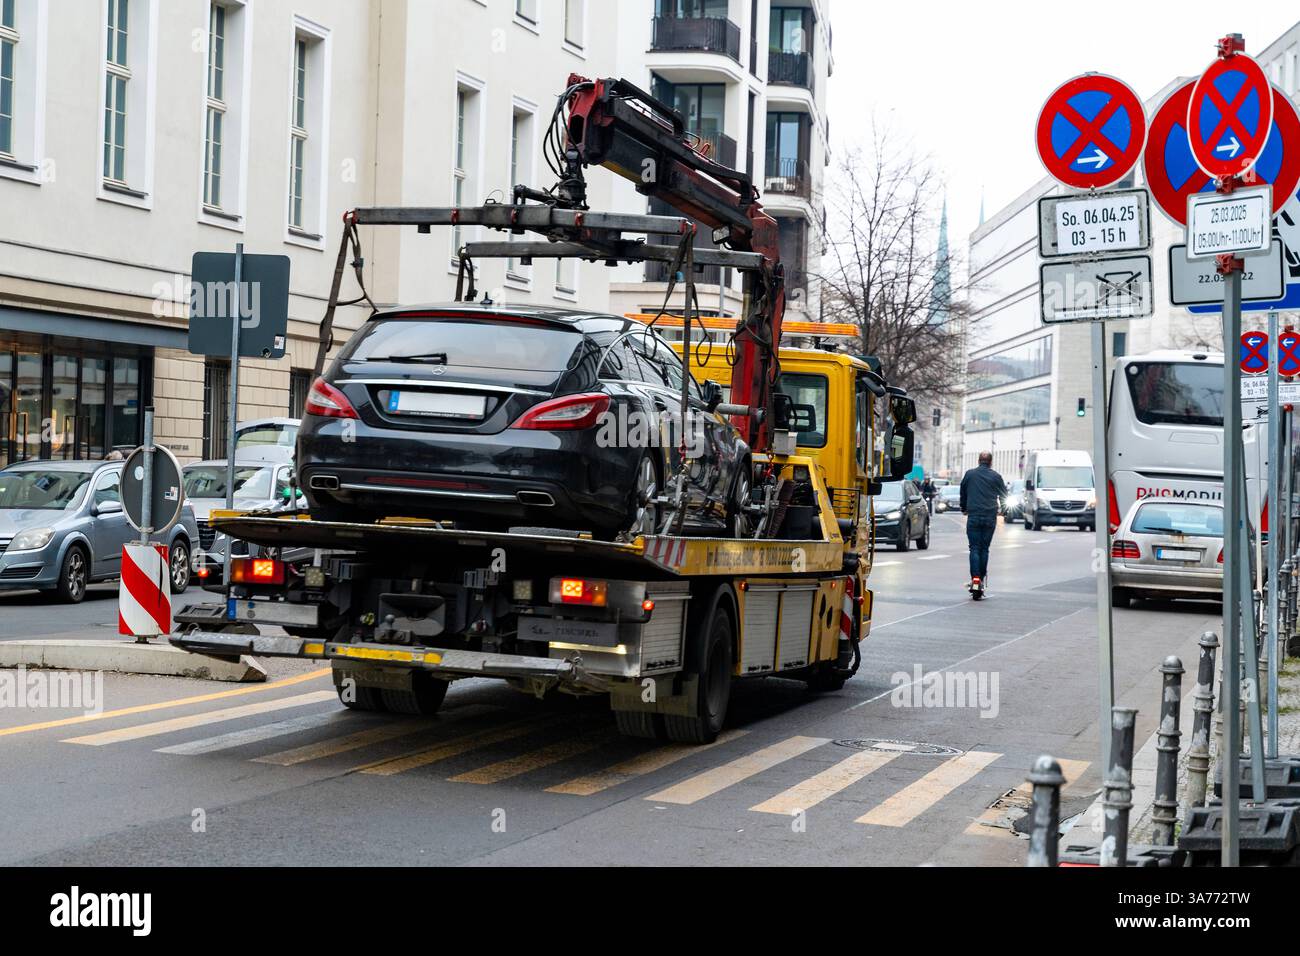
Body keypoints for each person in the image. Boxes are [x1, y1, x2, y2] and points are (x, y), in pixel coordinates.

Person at [959, 451, 1008, 594]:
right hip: (989, 516)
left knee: (974, 548)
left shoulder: (969, 474)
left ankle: (975, 579)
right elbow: (1004, 495)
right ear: (991, 462)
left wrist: (964, 508)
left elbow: (963, 492)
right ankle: (980, 578)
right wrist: (1003, 511)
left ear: (978, 461)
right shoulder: (996, 476)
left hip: (973, 515)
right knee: (984, 548)